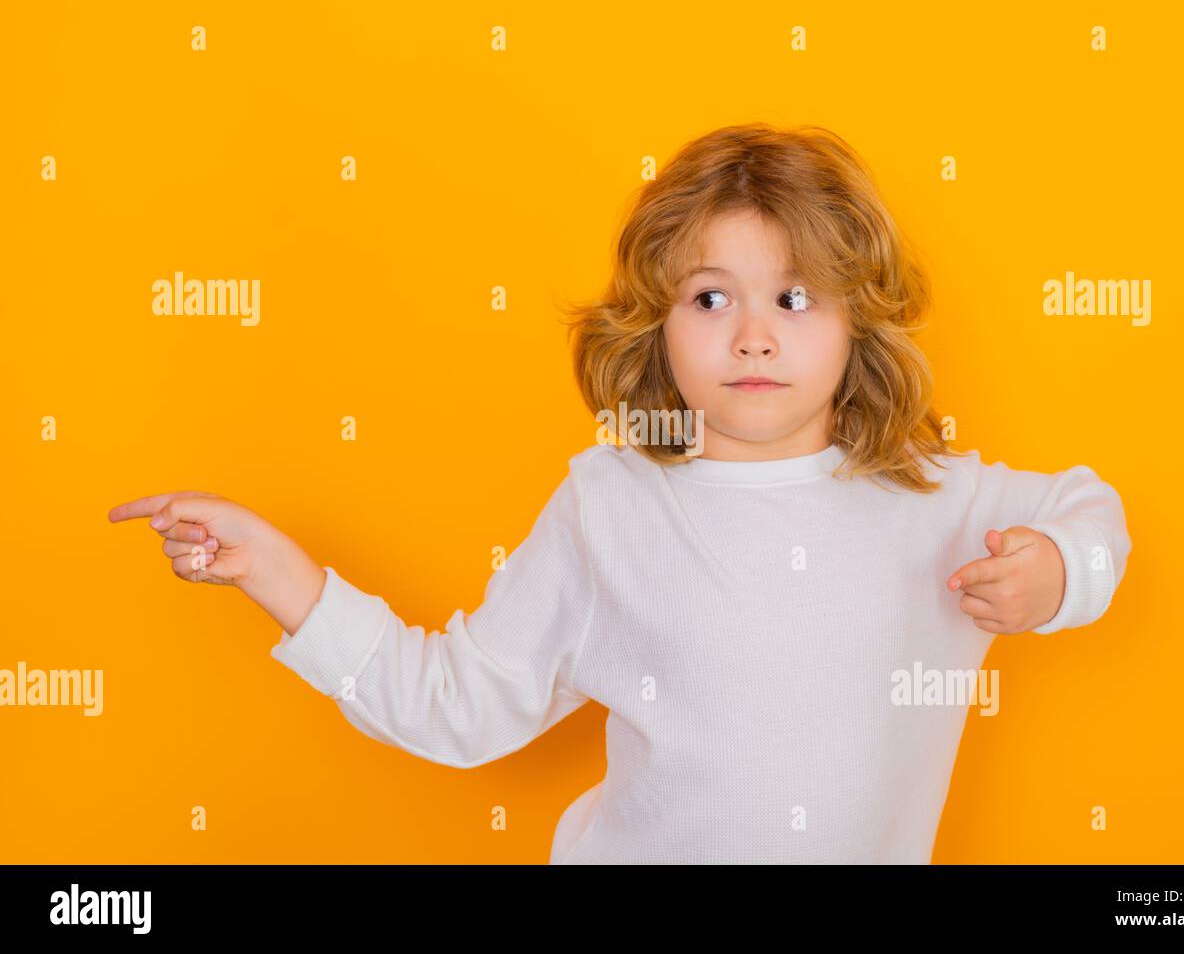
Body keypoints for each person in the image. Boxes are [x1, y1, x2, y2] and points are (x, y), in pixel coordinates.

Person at [108, 122, 1132, 863]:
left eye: (795, 295)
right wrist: (283, 574)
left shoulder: (933, 496)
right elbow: (460, 704)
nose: (753, 334)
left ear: (856, 323)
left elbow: (1094, 514)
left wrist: (1056, 573)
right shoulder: (612, 501)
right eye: (709, 297)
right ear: (657, 325)